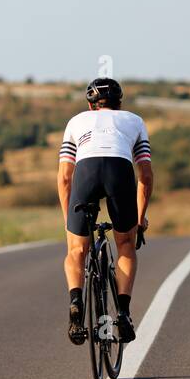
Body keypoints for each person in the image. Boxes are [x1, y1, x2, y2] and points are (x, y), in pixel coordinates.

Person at [57, 77, 152, 344]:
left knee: (76, 250)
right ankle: (122, 313)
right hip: (119, 171)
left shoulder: (76, 122)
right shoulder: (134, 120)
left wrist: (69, 222)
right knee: (125, 246)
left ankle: (76, 307)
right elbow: (145, 174)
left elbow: (65, 177)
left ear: (90, 105)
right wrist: (140, 217)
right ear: (119, 103)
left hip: (86, 172)